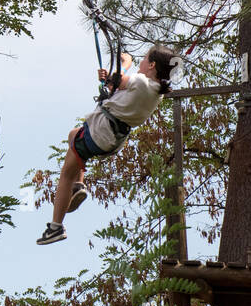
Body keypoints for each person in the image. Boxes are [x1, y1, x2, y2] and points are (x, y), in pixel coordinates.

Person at [36, 44, 178, 245]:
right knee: (73, 135)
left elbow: (117, 81)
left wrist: (122, 66)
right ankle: (79, 186)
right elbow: (118, 87)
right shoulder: (157, 92)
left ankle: (55, 227)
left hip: (99, 132)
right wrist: (117, 73)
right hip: (112, 139)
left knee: (66, 174)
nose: (142, 62)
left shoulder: (140, 83)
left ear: (152, 65)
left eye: (144, 59)